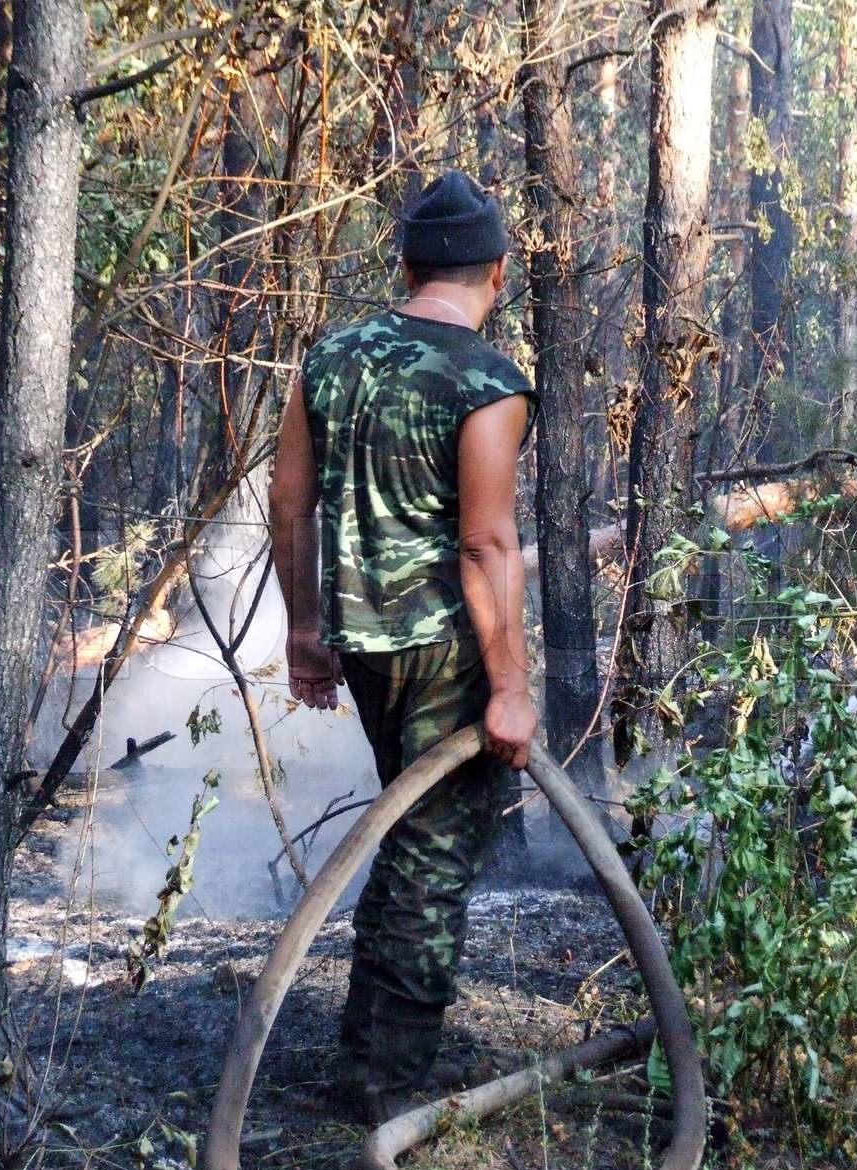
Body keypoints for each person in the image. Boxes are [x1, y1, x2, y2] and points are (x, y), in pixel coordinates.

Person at [266, 169, 539, 1121]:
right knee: (430, 857)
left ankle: (371, 1049)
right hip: (443, 654)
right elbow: (487, 542)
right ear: (496, 272)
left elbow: (288, 504)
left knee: (411, 835)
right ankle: (385, 1091)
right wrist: (508, 686)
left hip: (363, 645)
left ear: (408, 262)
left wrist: (306, 629)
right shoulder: (487, 381)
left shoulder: (331, 359)